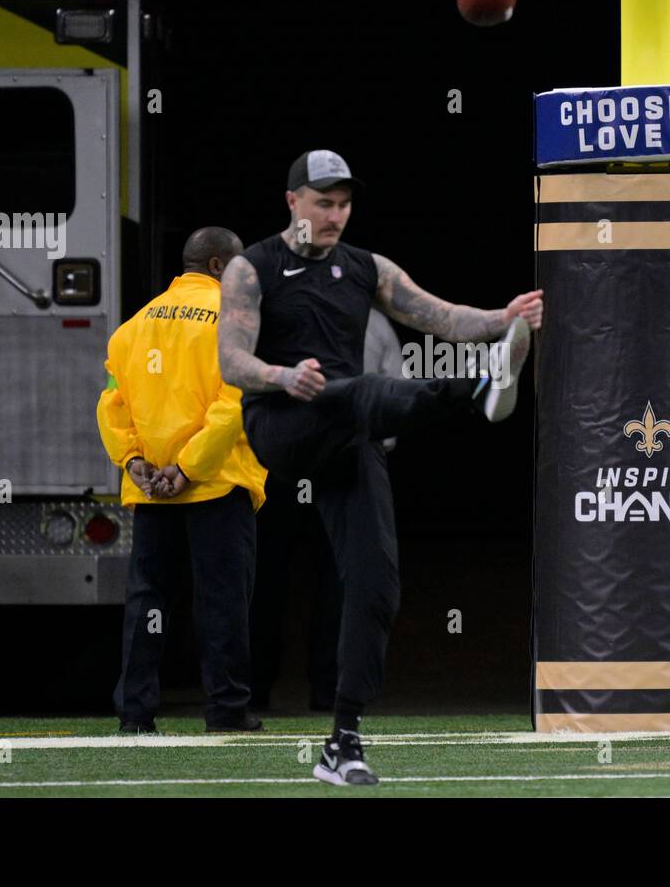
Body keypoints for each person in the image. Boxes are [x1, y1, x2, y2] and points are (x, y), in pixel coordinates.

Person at [218, 149, 543, 784]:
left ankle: (343, 742)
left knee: (376, 586)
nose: (335, 215)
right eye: (323, 203)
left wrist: (505, 319)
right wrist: (283, 375)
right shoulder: (250, 268)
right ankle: (479, 387)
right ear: (293, 201)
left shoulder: (366, 268)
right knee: (365, 390)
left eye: (344, 205)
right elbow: (230, 361)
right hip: (283, 422)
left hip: (348, 433)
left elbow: (443, 317)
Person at [97, 226, 268, 734]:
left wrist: (134, 462)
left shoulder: (133, 327)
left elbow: (112, 401)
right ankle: (227, 710)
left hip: (152, 491)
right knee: (222, 601)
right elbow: (233, 403)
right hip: (215, 485)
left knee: (147, 600)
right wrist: (189, 468)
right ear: (218, 267)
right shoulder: (234, 323)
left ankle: (135, 711)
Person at [250, 309, 406, 712]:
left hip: (292, 462)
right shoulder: (373, 322)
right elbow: (396, 396)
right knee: (339, 579)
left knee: (270, 576)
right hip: (343, 462)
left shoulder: (278, 313)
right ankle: (328, 689)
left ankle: (255, 687)